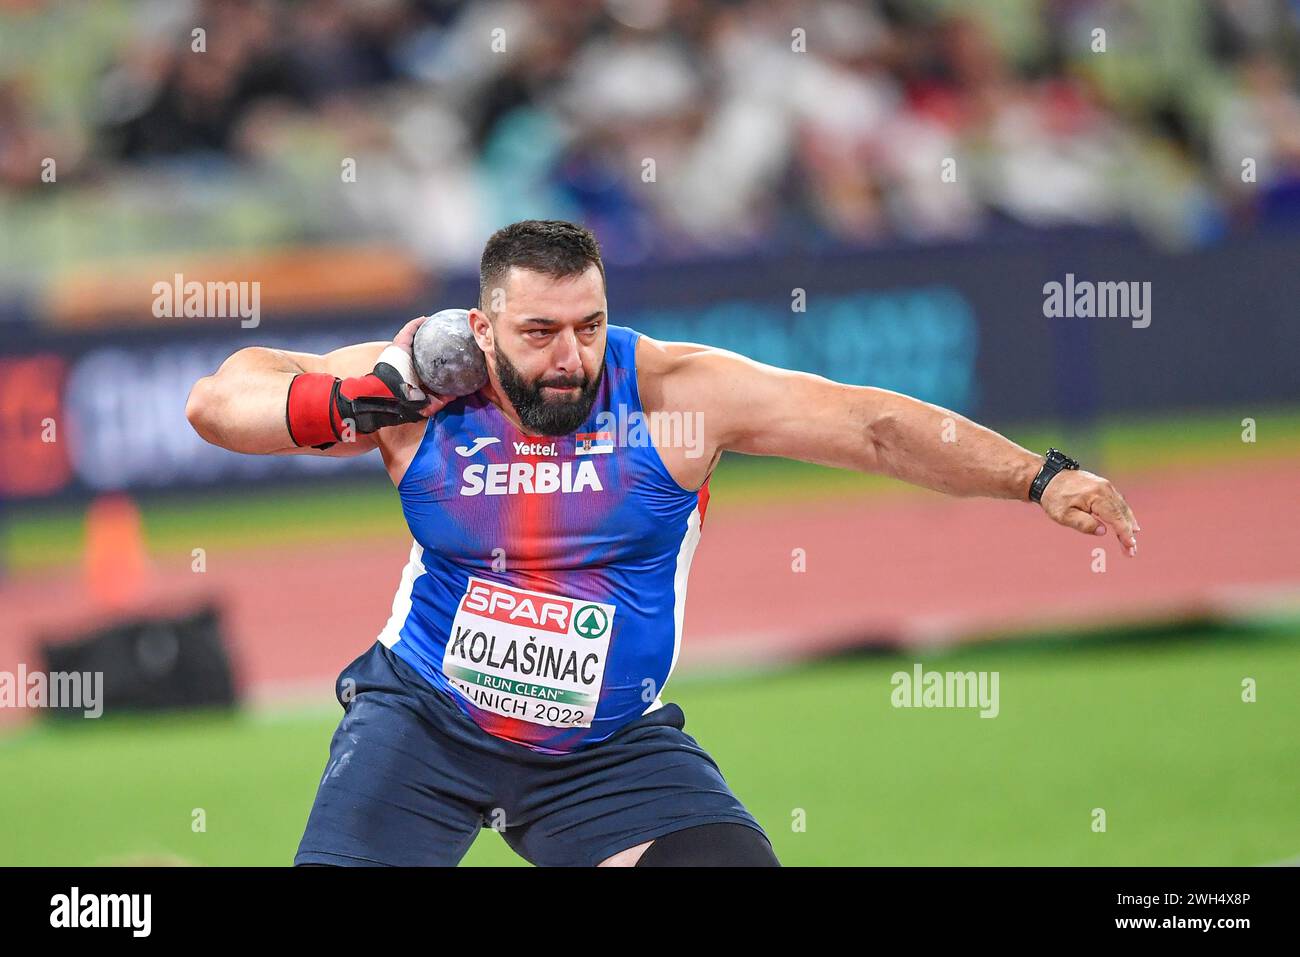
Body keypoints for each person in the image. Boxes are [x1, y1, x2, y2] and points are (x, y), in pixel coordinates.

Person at [185, 219, 1140, 866]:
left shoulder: (671, 396)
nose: (571, 356)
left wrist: (1040, 476)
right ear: (482, 328)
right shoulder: (420, 397)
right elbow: (219, 401)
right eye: (540, 331)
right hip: (425, 720)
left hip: (603, 748)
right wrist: (356, 400)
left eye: (590, 325)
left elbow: (868, 426)